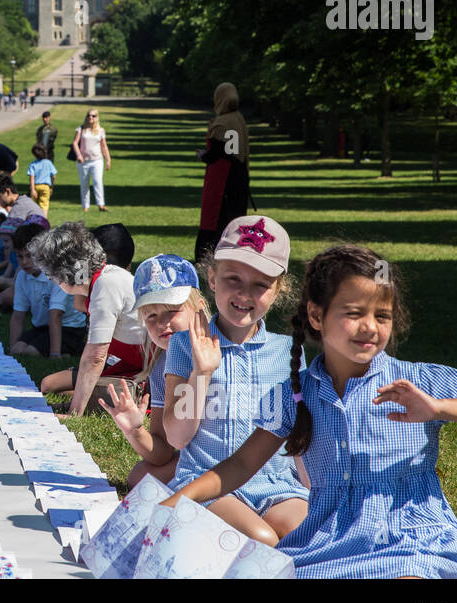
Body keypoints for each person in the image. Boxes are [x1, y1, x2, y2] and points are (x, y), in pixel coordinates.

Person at [163, 244, 457, 576]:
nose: (370, 327)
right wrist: (179, 499)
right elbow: (240, 465)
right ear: (316, 316)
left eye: (382, 316)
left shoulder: (415, 381)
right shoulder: (293, 395)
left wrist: (438, 407)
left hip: (409, 539)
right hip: (324, 542)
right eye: (353, 313)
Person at [162, 215, 309, 544]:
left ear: (279, 289)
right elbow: (176, 437)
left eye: (260, 285)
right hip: (207, 483)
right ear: (212, 278)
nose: (245, 294)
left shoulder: (288, 352)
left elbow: (298, 434)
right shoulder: (185, 344)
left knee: (307, 538)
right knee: (262, 540)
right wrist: (202, 372)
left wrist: (313, 489)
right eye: (233, 278)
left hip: (277, 486)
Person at [97, 254, 208, 489]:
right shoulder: (161, 366)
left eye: (172, 311)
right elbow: (163, 453)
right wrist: (134, 430)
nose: (162, 323)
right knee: (139, 476)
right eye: (151, 316)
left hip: (235, 458)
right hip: (196, 457)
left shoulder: (220, 351)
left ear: (199, 307)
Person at [29, 222, 147, 415]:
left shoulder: (105, 285)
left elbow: (95, 357)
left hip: (151, 367)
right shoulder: (102, 280)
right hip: (138, 362)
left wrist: (74, 413)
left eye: (52, 277)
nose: (54, 283)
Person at [8, 223, 87, 359]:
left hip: (69, 329)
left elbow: (55, 315)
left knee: (30, 352)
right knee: (17, 349)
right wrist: (11, 349)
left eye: (30, 256)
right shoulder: (22, 276)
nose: (25, 262)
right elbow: (18, 315)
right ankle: (62, 351)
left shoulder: (58, 275)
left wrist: (54, 354)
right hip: (42, 327)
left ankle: (72, 349)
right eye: (20, 256)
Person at [194, 82, 251, 263]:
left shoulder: (223, 122)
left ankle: (209, 253)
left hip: (223, 180)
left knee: (217, 217)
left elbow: (219, 154)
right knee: (234, 217)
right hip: (239, 176)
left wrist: (204, 155)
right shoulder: (239, 118)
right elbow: (235, 151)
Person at [71, 108, 111, 212]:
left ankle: (101, 204)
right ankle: (85, 206)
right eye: (89, 115)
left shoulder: (100, 131)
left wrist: (108, 159)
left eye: (93, 116)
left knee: (98, 182)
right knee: (84, 183)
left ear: (97, 117)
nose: (90, 117)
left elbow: (104, 146)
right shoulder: (81, 129)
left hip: (97, 160)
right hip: (83, 161)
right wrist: (79, 155)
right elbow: (75, 143)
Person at [27, 143, 58, 215]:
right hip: (46, 187)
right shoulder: (49, 163)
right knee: (44, 206)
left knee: (34, 206)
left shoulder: (33, 164)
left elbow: (32, 177)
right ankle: (43, 222)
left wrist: (32, 189)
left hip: (36, 186)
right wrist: (51, 187)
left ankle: (34, 222)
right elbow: (53, 176)